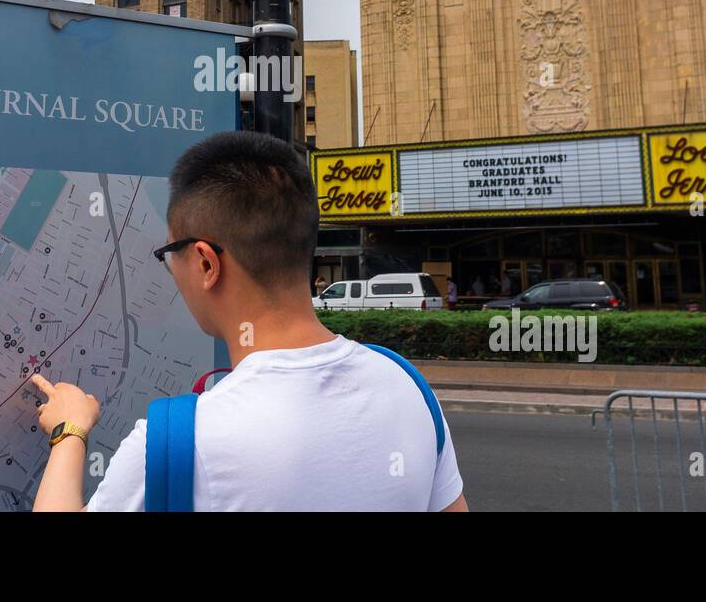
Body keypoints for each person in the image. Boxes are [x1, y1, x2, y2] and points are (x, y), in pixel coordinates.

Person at [30, 131, 466, 512]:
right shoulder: (408, 389)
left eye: (169, 256)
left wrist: (70, 431)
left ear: (205, 263)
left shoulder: (177, 443)